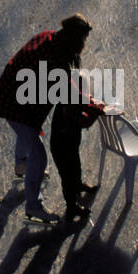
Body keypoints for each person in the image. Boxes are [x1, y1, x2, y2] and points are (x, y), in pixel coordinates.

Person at [0, 14, 92, 223]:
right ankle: (33, 206)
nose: (83, 44)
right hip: (16, 104)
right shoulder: (55, 59)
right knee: (39, 156)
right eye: (82, 39)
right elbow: (66, 90)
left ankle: (21, 165)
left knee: (25, 134)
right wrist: (86, 106)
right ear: (74, 39)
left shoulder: (49, 37)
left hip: (12, 94)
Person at [50, 82, 102, 223]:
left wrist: (92, 103)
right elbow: (84, 122)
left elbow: (84, 100)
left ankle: (78, 184)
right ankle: (72, 207)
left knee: (75, 166)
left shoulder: (72, 97)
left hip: (70, 145)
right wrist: (96, 111)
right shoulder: (69, 106)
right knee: (67, 177)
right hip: (61, 147)